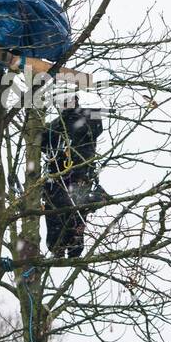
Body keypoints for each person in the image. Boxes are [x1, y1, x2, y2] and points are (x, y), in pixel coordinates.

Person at [42, 98, 110, 258]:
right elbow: (42, 145)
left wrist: (73, 116)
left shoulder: (89, 117)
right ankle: (57, 247)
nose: (66, 104)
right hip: (56, 179)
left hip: (79, 174)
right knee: (55, 213)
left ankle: (74, 248)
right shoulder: (54, 126)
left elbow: (95, 128)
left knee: (76, 212)